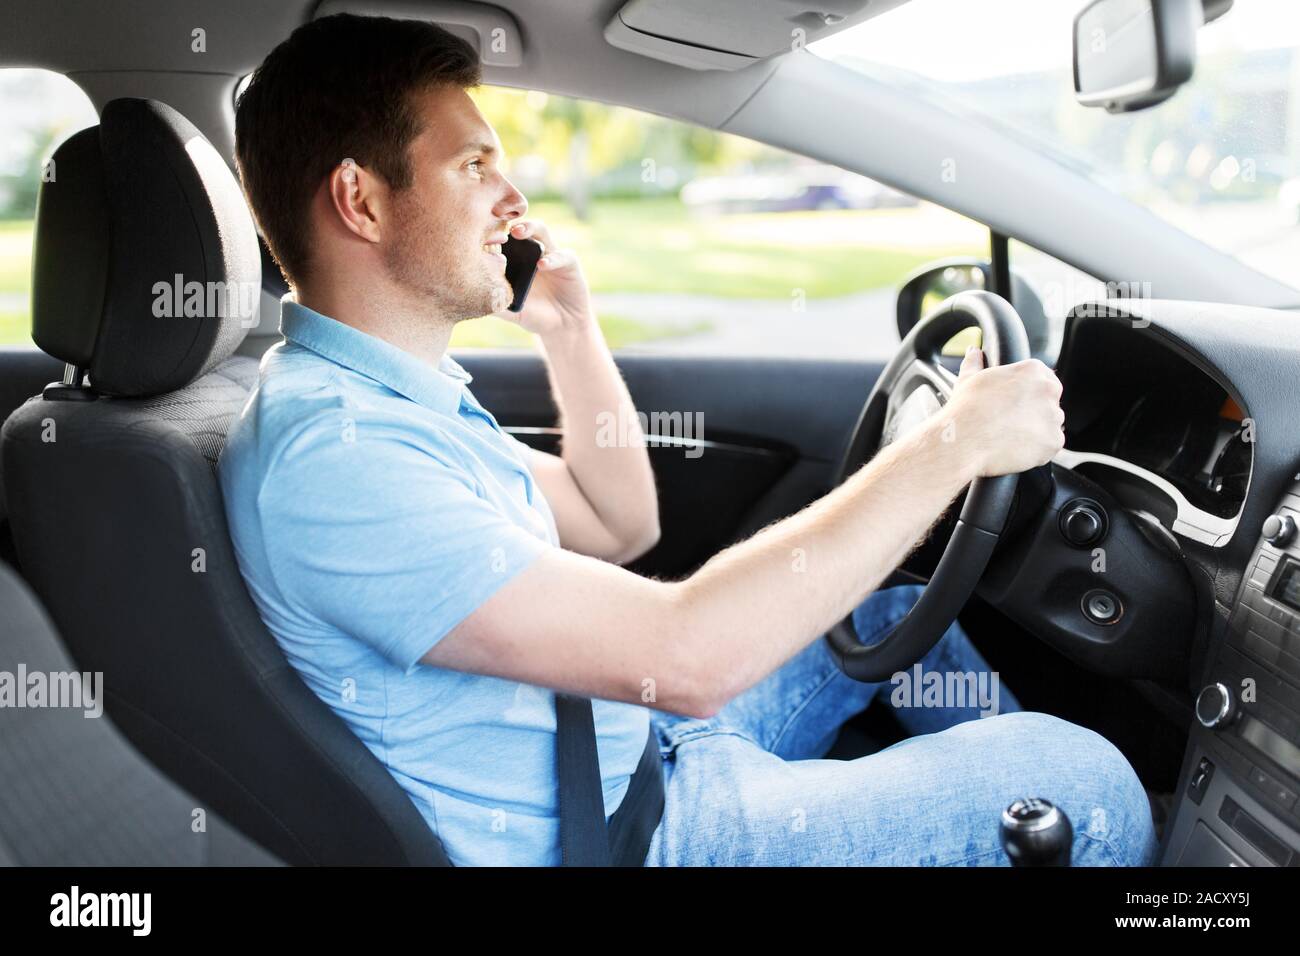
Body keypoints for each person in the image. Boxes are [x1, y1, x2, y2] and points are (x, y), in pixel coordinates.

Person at [219, 13, 1156, 867]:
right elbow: (689, 660)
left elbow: (615, 524)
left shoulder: (387, 402)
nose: (513, 196)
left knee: (887, 619)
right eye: (473, 166)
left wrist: (569, 329)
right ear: (361, 200)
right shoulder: (340, 458)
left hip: (628, 743)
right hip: (638, 835)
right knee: (1087, 785)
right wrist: (955, 441)